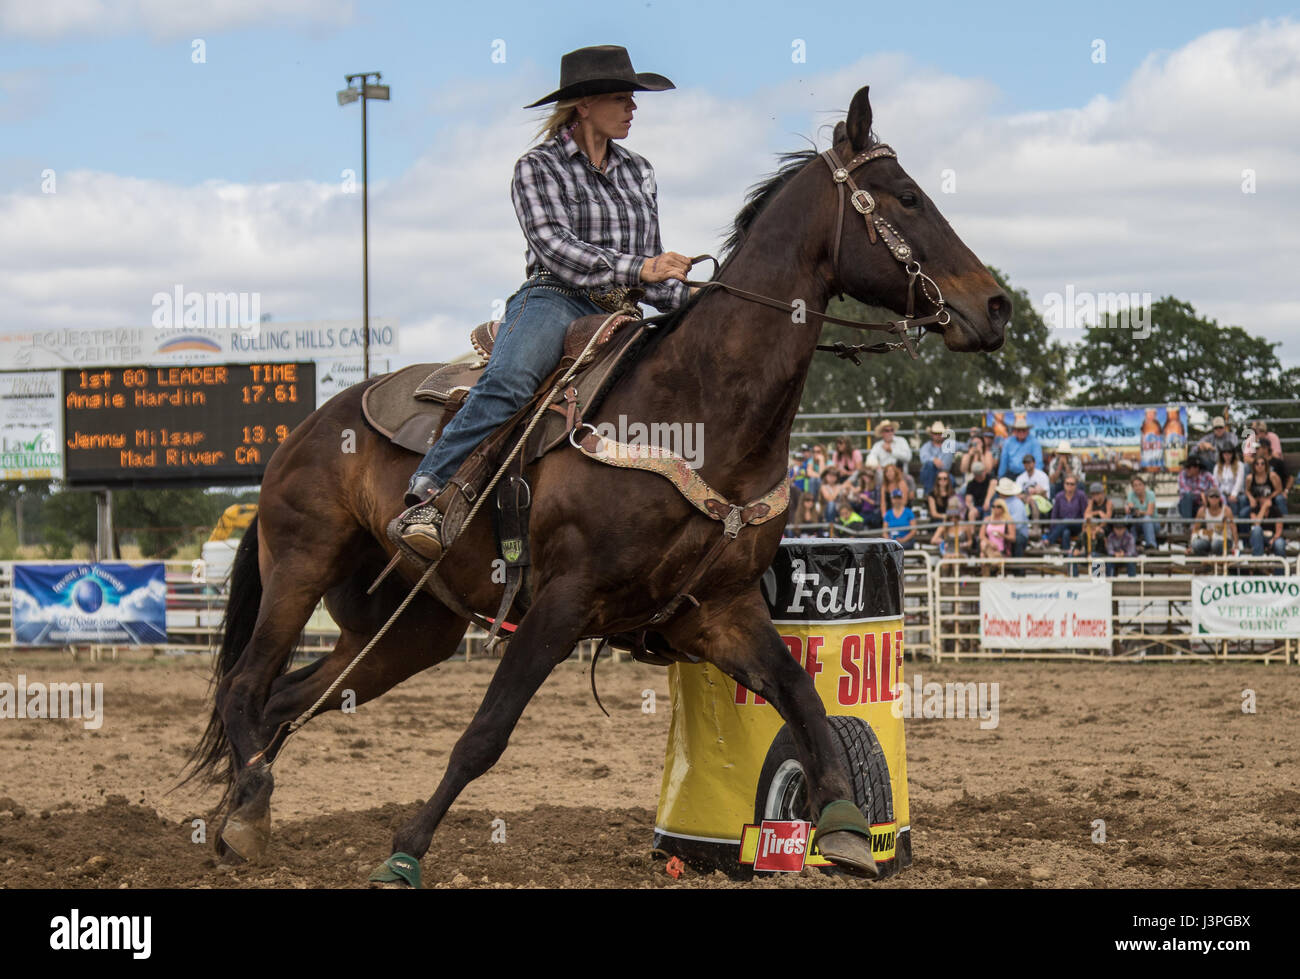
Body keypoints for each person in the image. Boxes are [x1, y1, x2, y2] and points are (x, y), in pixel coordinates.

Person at [392, 45, 692, 560]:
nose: (633, 109)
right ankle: (430, 492)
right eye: (622, 98)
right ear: (584, 105)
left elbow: (653, 258)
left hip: (624, 310)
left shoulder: (640, 171)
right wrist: (643, 268)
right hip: (556, 296)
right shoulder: (537, 167)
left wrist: (686, 297)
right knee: (511, 381)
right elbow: (556, 247)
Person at [1245, 456, 1286, 562]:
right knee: (1256, 528)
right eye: (1257, 464)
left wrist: (1274, 539)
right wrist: (1263, 507)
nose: (1260, 466)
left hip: (1273, 537)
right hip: (1259, 538)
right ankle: (1258, 563)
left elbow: (1279, 528)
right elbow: (1256, 524)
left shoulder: (1275, 509)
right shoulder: (1254, 509)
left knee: (1280, 543)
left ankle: (1281, 572)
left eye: (1262, 463)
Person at [996, 412, 1043, 481]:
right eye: (1018, 430)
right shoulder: (1008, 442)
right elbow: (1004, 461)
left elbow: (1038, 462)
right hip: (1011, 474)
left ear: (1027, 431)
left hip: (1029, 474)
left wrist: (1036, 477)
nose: (1021, 432)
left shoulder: (1034, 442)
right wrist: (1000, 476)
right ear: (1014, 431)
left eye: (1023, 430)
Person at [1190, 488, 1236, 556]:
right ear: (1207, 498)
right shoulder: (1202, 511)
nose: (1214, 499)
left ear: (1219, 498)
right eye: (1211, 497)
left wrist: (1236, 545)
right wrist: (1191, 544)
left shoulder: (1226, 510)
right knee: (1196, 544)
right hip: (1210, 539)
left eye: (1216, 497)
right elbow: (1195, 529)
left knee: (1215, 544)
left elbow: (1233, 528)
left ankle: (1217, 561)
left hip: (1225, 539)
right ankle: (1206, 562)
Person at [1046, 475, 1088, 552]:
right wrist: (1053, 528)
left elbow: (1085, 512)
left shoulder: (1081, 495)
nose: (1069, 486)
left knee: (1066, 521)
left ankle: (1049, 540)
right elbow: (1054, 514)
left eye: (1072, 484)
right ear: (1064, 484)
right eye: (1067, 483)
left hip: (1078, 524)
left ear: (1076, 485)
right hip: (1063, 526)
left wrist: (1084, 527)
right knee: (1066, 532)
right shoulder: (1059, 496)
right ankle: (1067, 557)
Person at [1253, 440, 1293, 514]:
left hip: (1277, 493)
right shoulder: (1256, 463)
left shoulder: (1277, 462)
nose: (1256, 451)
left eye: (1258, 448)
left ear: (1266, 448)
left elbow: (1290, 478)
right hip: (1262, 494)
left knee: (1280, 498)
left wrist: (1286, 491)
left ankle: (1286, 524)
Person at [995, 476, 1029, 559]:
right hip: (1005, 532)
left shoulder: (1017, 504)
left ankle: (1018, 569)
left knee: (1017, 541)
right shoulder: (1000, 502)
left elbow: (1018, 525)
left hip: (1019, 533)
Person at [918, 421, 955, 496]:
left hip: (944, 473)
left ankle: (937, 498)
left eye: (940, 433)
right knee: (929, 465)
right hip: (929, 474)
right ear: (931, 434)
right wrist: (933, 460)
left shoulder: (951, 444)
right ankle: (930, 496)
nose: (938, 435)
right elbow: (923, 458)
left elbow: (965, 446)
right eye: (936, 433)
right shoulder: (926, 446)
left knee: (951, 479)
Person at [1124, 475, 1159, 550]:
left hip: (1153, 523)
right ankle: (1133, 546)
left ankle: (1151, 545)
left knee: (1146, 518)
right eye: (1135, 485)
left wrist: (1139, 512)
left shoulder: (1150, 494)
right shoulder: (1131, 494)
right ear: (1133, 488)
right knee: (1130, 519)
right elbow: (1131, 509)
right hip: (1138, 523)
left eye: (1140, 484)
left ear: (1144, 486)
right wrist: (1129, 509)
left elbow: (1150, 512)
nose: (1138, 487)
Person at [1177, 455, 1215, 524]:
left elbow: (1215, 491)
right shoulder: (1182, 475)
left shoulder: (1207, 476)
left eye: (1188, 467)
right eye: (1186, 467)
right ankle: (1187, 525)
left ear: (1197, 468)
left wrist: (1205, 496)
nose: (1186, 469)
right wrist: (1201, 494)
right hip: (1186, 506)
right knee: (1187, 496)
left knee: (1212, 499)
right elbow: (1185, 491)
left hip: (1203, 505)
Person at [1212, 446, 1246, 517]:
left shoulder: (1239, 465)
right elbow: (1215, 483)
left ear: (1233, 454)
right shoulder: (1217, 466)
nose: (1227, 455)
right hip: (1222, 494)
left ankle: (1234, 520)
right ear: (1221, 454)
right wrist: (1219, 495)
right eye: (1224, 453)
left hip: (1237, 494)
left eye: (1229, 453)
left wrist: (1234, 494)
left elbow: (1239, 482)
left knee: (1233, 500)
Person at [1016, 453, 1052, 520]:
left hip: (1040, 502)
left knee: (1032, 501)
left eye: (1029, 462)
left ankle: (1036, 527)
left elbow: (1046, 495)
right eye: (1025, 463)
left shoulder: (1042, 476)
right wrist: (1027, 496)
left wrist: (1035, 492)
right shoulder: (1020, 478)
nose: (1027, 465)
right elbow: (1017, 495)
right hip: (1024, 501)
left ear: (1034, 463)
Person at [981, 499, 1013, 573]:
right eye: (993, 506)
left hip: (1001, 550)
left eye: (998, 506)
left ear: (1003, 508)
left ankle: (992, 564)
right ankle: (994, 563)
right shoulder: (987, 519)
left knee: (984, 556)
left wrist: (1002, 535)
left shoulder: (1008, 521)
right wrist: (990, 543)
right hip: (989, 547)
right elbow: (981, 535)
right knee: (984, 545)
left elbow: (1012, 537)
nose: (995, 508)